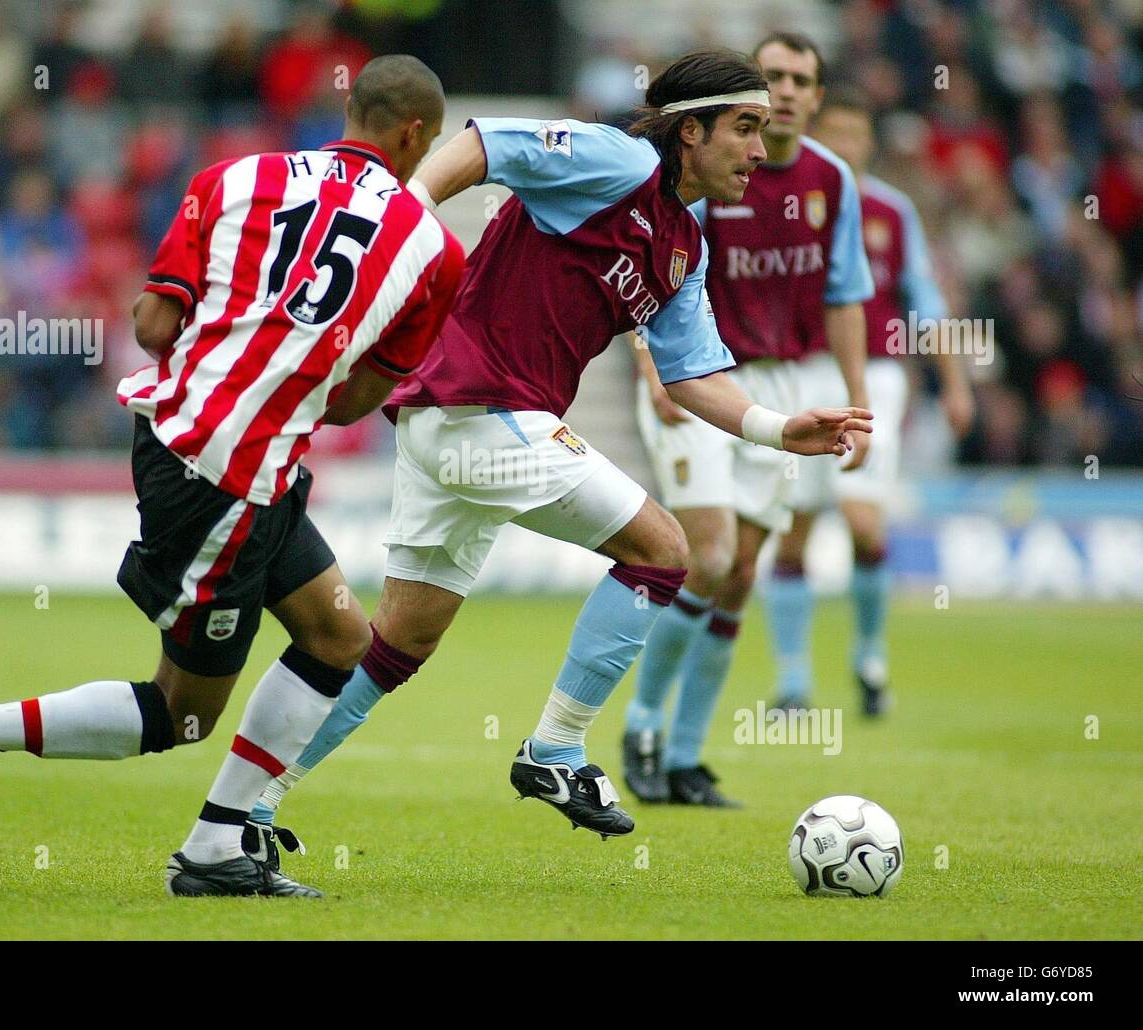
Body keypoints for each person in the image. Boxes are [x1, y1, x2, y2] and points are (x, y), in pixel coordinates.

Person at [0, 55, 465, 900]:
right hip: (226, 479)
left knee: (339, 639)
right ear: (414, 135)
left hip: (209, 450)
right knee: (179, 713)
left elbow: (151, 323)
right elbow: (351, 405)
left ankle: (218, 844)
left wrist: (232, 356)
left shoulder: (232, 177)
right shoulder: (434, 251)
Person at [243, 48, 872, 842]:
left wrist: (779, 429)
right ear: (689, 132)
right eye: (743, 128)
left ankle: (249, 808)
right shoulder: (617, 162)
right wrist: (405, 215)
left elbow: (691, 374)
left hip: (458, 424)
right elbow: (486, 145)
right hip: (480, 406)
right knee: (664, 550)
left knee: (394, 646)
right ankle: (556, 748)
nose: (758, 148)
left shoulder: (684, 244)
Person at [623, 33, 874, 807]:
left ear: (819, 96)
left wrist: (858, 404)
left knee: (737, 577)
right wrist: (649, 366)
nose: (788, 91)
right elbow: (644, 253)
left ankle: (687, 758)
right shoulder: (709, 172)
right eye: (773, 78)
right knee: (709, 553)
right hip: (699, 377)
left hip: (782, 386)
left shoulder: (833, 181)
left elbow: (844, 299)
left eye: (802, 79)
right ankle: (641, 729)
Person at [767, 87, 975, 716]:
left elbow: (925, 301)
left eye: (857, 134)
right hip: (798, 370)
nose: (846, 146)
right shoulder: (789, 198)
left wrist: (956, 382)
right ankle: (795, 681)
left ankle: (869, 656)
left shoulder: (892, 209)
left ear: (869, 142)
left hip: (875, 374)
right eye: (836, 133)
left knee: (863, 524)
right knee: (796, 530)